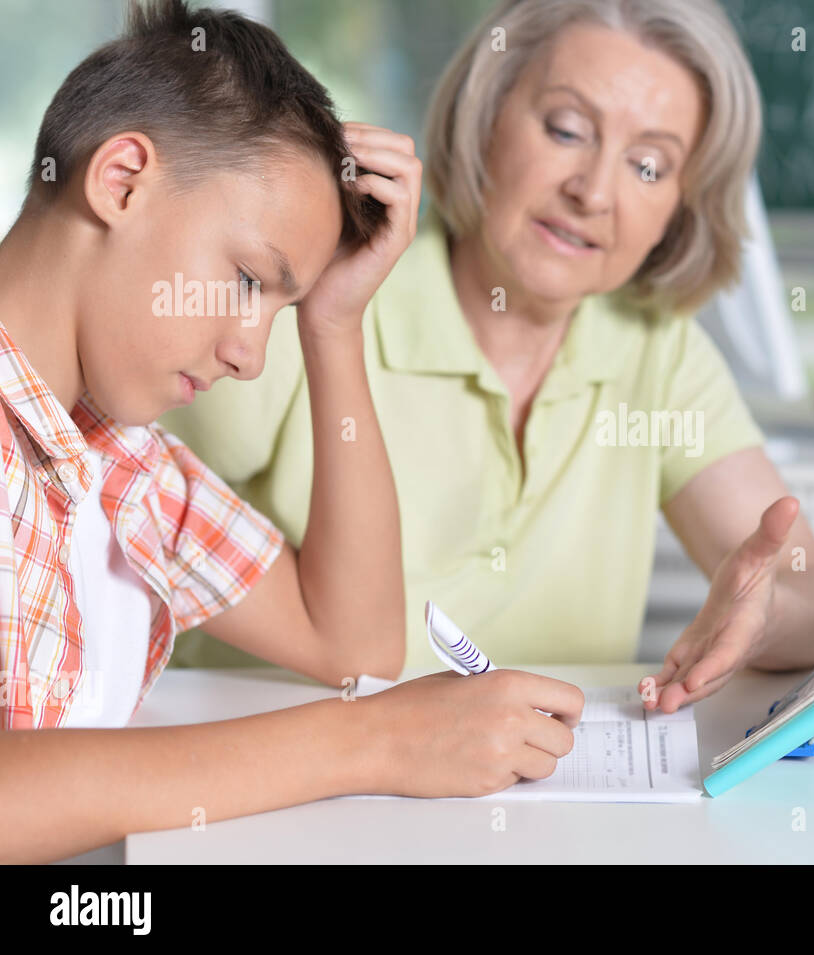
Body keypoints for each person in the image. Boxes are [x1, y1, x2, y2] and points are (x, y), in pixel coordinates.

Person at [0, 0, 583, 864]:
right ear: (121, 180)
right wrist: (369, 740)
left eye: (284, 308)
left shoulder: (119, 460)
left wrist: (335, 327)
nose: (249, 355)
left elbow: (351, 638)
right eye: (246, 279)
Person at [162, 0, 814, 714]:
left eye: (648, 166)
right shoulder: (315, 297)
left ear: (682, 207)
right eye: (565, 130)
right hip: (278, 789)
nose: (592, 192)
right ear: (487, 114)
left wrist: (762, 613)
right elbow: (122, 511)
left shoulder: (657, 352)